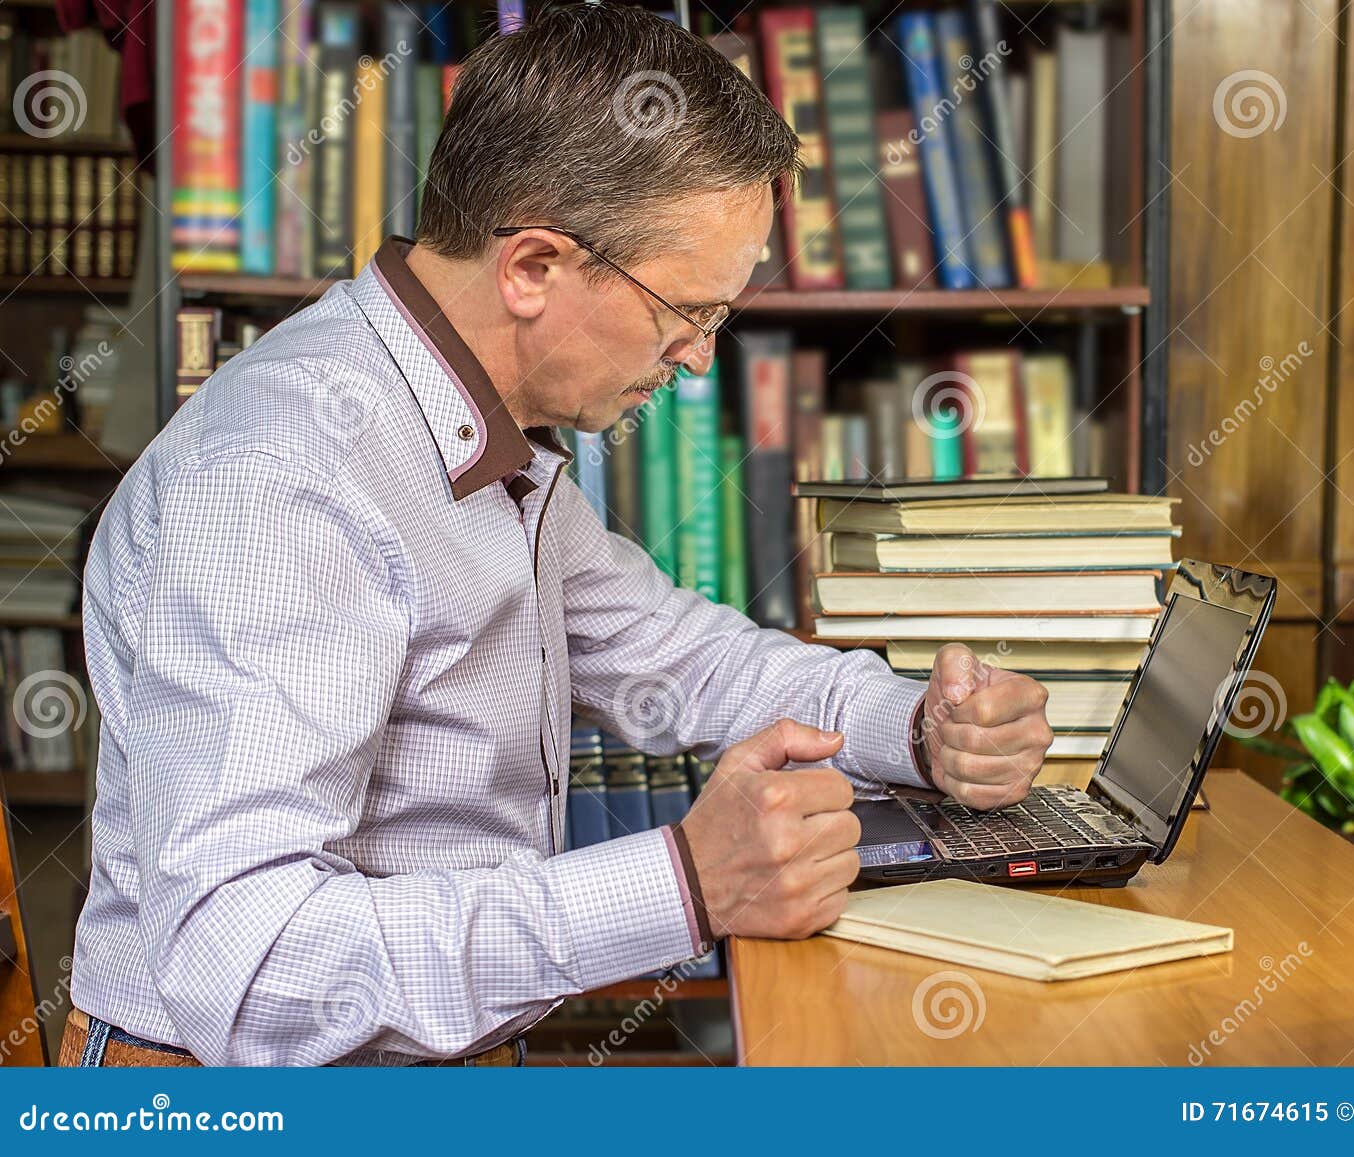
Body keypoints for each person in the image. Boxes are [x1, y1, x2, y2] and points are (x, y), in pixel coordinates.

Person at [62, 3, 1051, 1067]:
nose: (697, 358)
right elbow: (247, 969)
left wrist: (913, 725)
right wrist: (683, 883)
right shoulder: (281, 480)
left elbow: (677, 655)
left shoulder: (473, 422)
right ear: (532, 266)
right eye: (688, 309)